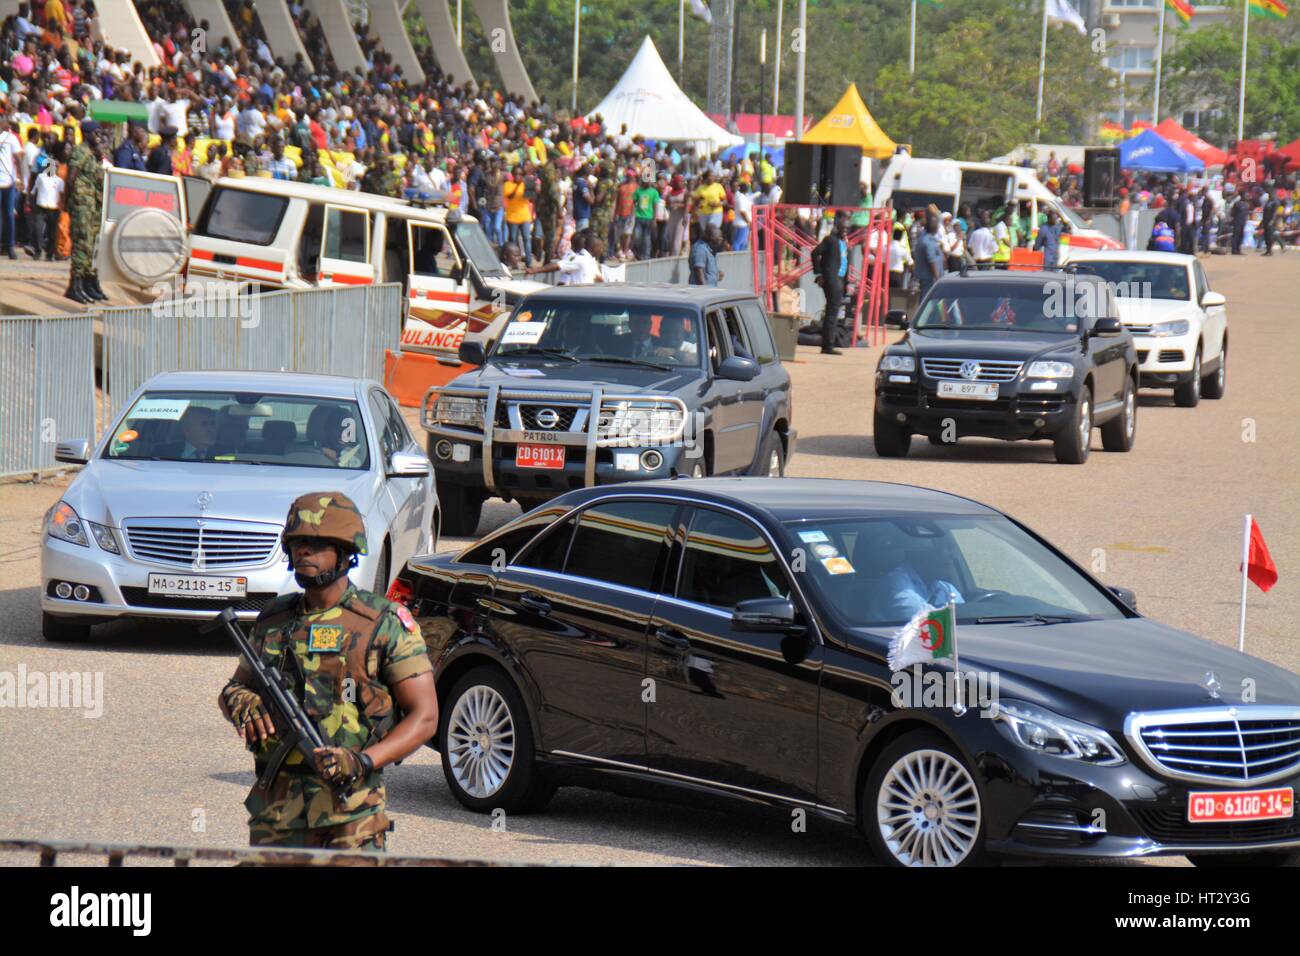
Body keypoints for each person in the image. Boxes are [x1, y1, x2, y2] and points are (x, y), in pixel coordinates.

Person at [218, 492, 438, 851]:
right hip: (277, 813)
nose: (304, 551)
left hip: (352, 814)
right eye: (298, 543)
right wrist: (240, 700)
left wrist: (363, 760)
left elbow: (425, 717)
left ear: (346, 553)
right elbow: (234, 688)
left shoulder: (382, 623)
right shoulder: (274, 620)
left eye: (318, 544)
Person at [65, 121, 106, 304]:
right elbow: (70, 179)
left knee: (90, 245)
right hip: (82, 204)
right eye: (96, 132)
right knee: (82, 244)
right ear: (87, 133)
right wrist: (68, 203)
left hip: (92, 206)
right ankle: (74, 287)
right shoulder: (80, 151)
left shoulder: (93, 154)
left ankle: (86, 283)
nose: (99, 135)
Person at [811, 214, 851, 355]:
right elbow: (815, 253)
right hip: (832, 280)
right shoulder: (830, 240)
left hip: (839, 281)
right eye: (843, 228)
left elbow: (846, 264)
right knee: (832, 313)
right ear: (837, 228)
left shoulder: (843, 243)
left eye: (847, 228)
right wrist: (819, 273)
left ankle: (828, 344)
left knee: (833, 312)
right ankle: (827, 345)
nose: (845, 230)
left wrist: (846, 284)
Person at [0, 118, 24, 260]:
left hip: (9, 181)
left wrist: (20, 178)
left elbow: (19, 158)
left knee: (9, 215)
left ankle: (10, 246)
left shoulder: (11, 138)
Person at [913, 213, 946, 299]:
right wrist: (938, 279)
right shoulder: (928, 241)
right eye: (935, 224)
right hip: (930, 279)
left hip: (930, 278)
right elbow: (932, 261)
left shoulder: (928, 238)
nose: (937, 226)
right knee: (928, 299)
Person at [1260, 191, 1281, 256]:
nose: (1269, 196)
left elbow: (1275, 212)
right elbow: (1264, 212)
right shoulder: (1268, 202)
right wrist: (1262, 221)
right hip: (1266, 220)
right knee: (1266, 235)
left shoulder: (1275, 202)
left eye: (1271, 194)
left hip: (1271, 221)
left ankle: (1270, 250)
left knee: (1270, 235)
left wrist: (1272, 220)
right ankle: (1267, 250)